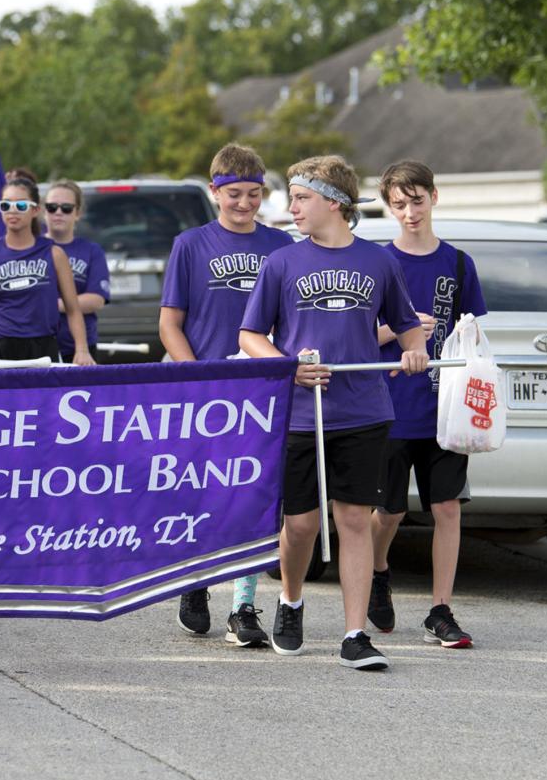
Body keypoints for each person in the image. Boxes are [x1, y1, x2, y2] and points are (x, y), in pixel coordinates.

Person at [239, 154, 429, 671]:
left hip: (364, 410)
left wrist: (414, 350)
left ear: (335, 203)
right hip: (300, 413)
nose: (292, 208)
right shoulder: (282, 262)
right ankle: (291, 600)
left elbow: (408, 327)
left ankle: (354, 635)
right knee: (300, 526)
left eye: (301, 198)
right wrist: (287, 368)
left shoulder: (379, 261)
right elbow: (250, 336)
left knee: (354, 519)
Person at [159, 144, 295, 646]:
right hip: (204, 387)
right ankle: (194, 583)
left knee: (253, 497)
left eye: (254, 194)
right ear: (214, 190)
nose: (244, 203)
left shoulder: (281, 245)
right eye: (234, 193)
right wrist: (194, 378)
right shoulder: (191, 244)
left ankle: (243, 606)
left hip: (260, 389)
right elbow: (169, 324)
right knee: (202, 493)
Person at [369, 160, 487, 649]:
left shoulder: (458, 263)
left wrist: (458, 337)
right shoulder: (376, 262)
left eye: (417, 200)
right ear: (389, 207)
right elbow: (355, 336)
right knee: (390, 512)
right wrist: (400, 331)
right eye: (399, 204)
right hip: (390, 405)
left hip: (446, 408)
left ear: (434, 198)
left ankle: (440, 609)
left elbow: (475, 334)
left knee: (447, 508)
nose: (410, 212)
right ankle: (378, 571)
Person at [0, 178, 94, 366]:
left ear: (35, 210)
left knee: (42, 397)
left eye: (20, 205)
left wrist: (82, 349)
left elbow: (73, 309)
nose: (12, 210)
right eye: (5, 205)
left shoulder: (54, 254)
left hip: (42, 348)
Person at [44, 179, 111, 362]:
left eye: (66, 208)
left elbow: (96, 299)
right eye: (51, 207)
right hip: (37, 345)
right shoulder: (31, 248)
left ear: (78, 213)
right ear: (43, 211)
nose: (58, 212)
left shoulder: (91, 251)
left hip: (78, 348)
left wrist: (50, 304)